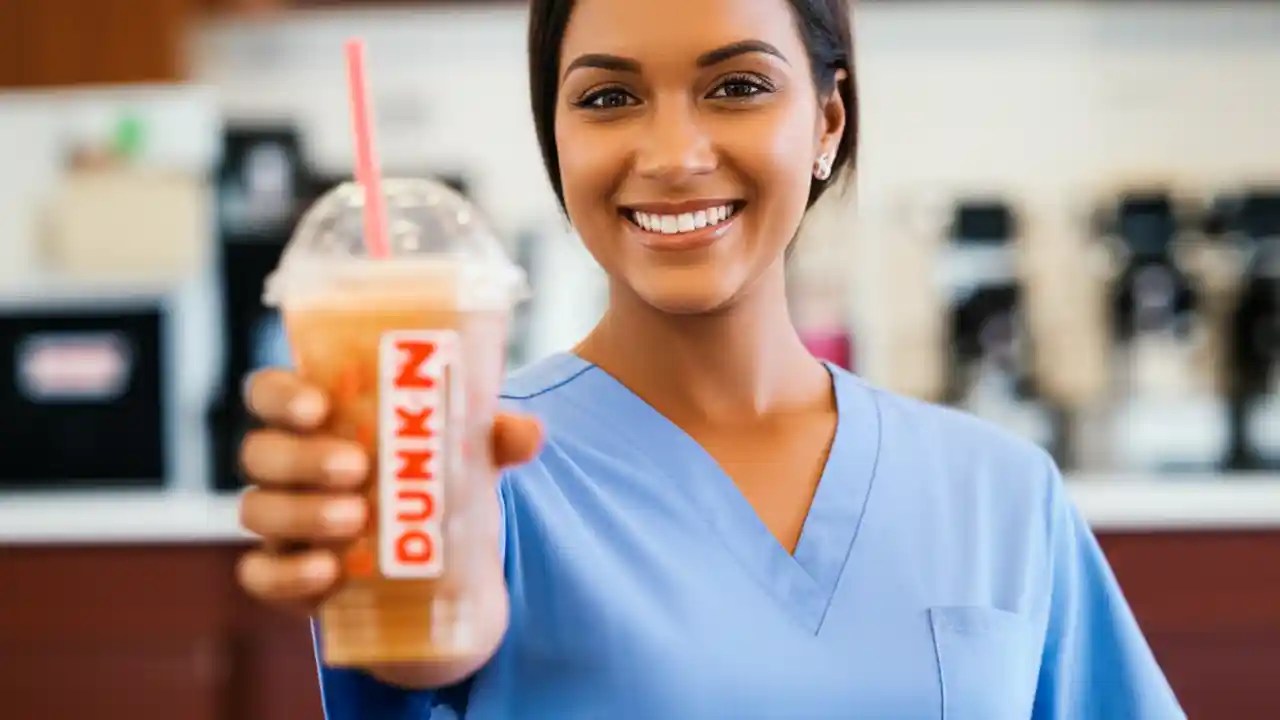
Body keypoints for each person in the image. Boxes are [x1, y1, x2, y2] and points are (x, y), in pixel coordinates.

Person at [236, 0, 1185, 717]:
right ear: (556, 138)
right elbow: (428, 636)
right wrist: (391, 538)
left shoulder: (1002, 494)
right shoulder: (475, 470)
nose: (673, 154)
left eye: (736, 87)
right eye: (608, 98)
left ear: (827, 121)